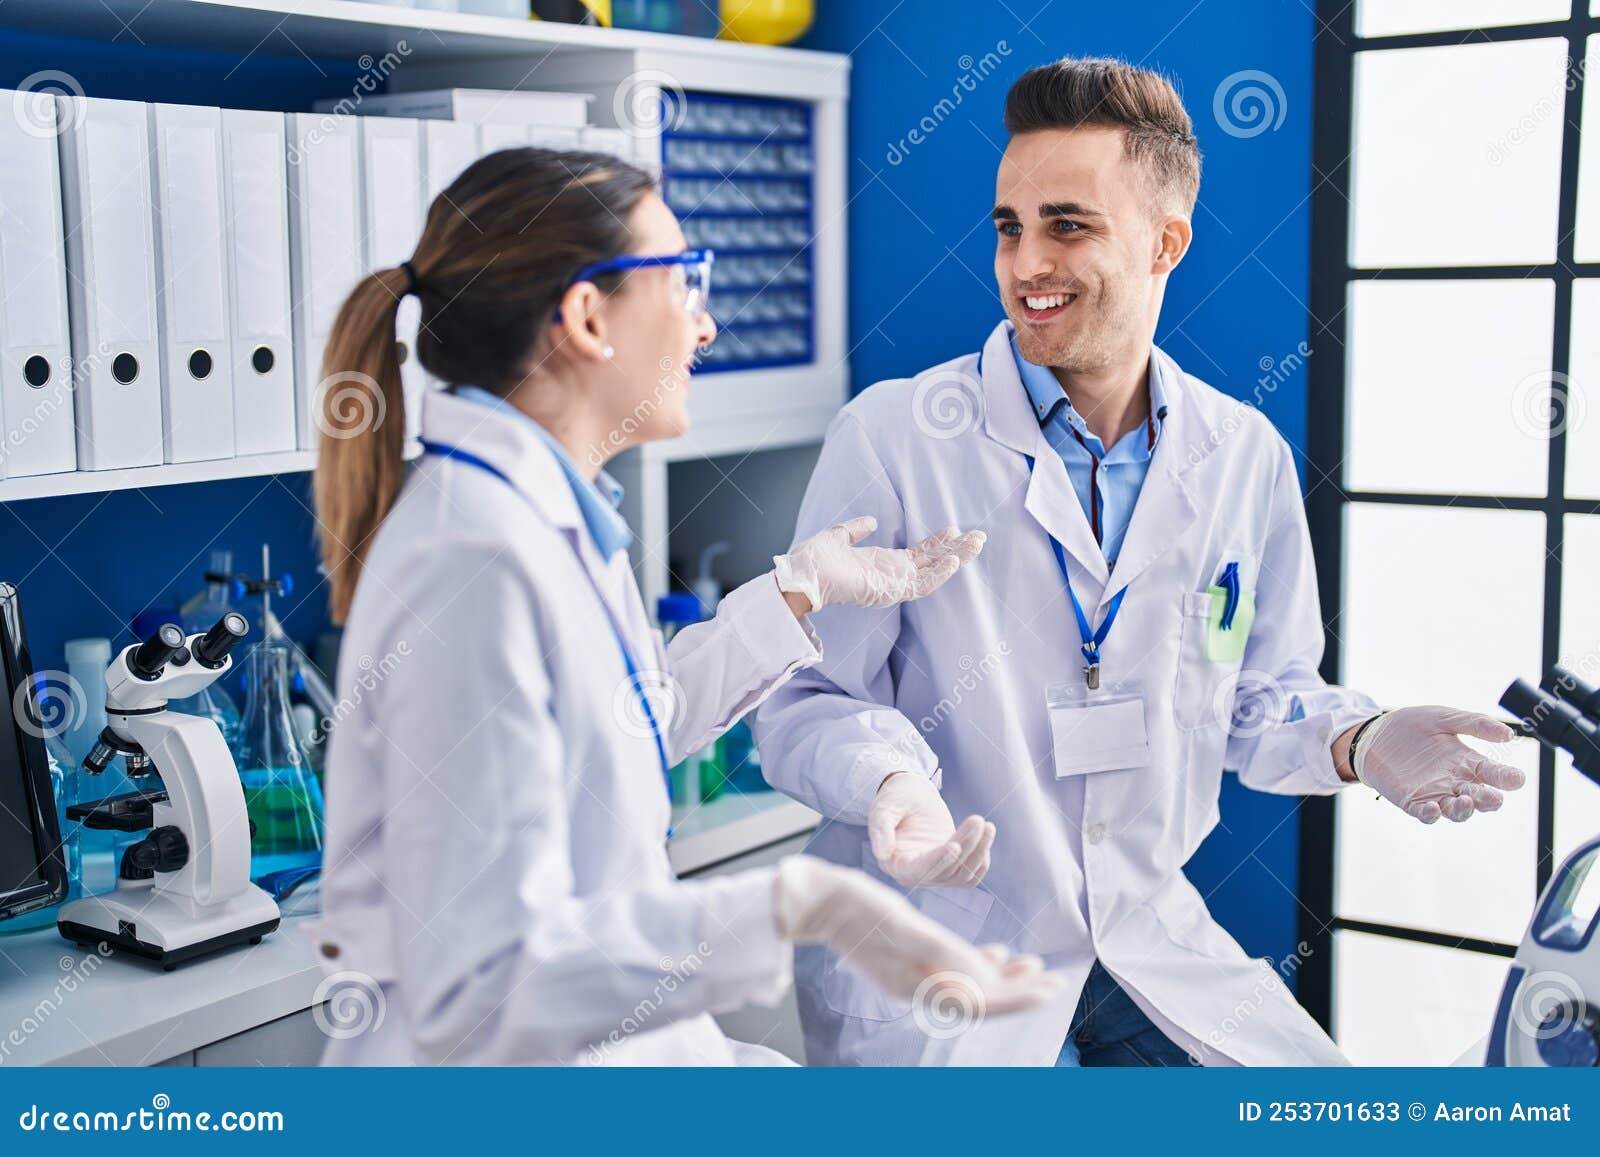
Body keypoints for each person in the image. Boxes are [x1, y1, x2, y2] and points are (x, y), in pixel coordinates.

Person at [752, 57, 1526, 1067]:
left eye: (1066, 225)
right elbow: (804, 697)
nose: (1026, 261)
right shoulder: (897, 435)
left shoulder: (1240, 453)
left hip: (1146, 939)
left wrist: (1361, 737)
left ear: (1166, 243)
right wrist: (891, 778)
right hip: (942, 952)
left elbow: (1258, 695)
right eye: (1008, 226)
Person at [302, 147, 1060, 1066]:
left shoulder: (551, 520)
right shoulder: (475, 559)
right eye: (684, 283)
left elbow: (628, 726)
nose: (704, 328)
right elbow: (480, 989)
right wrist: (797, 906)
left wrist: (798, 589)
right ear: (588, 316)